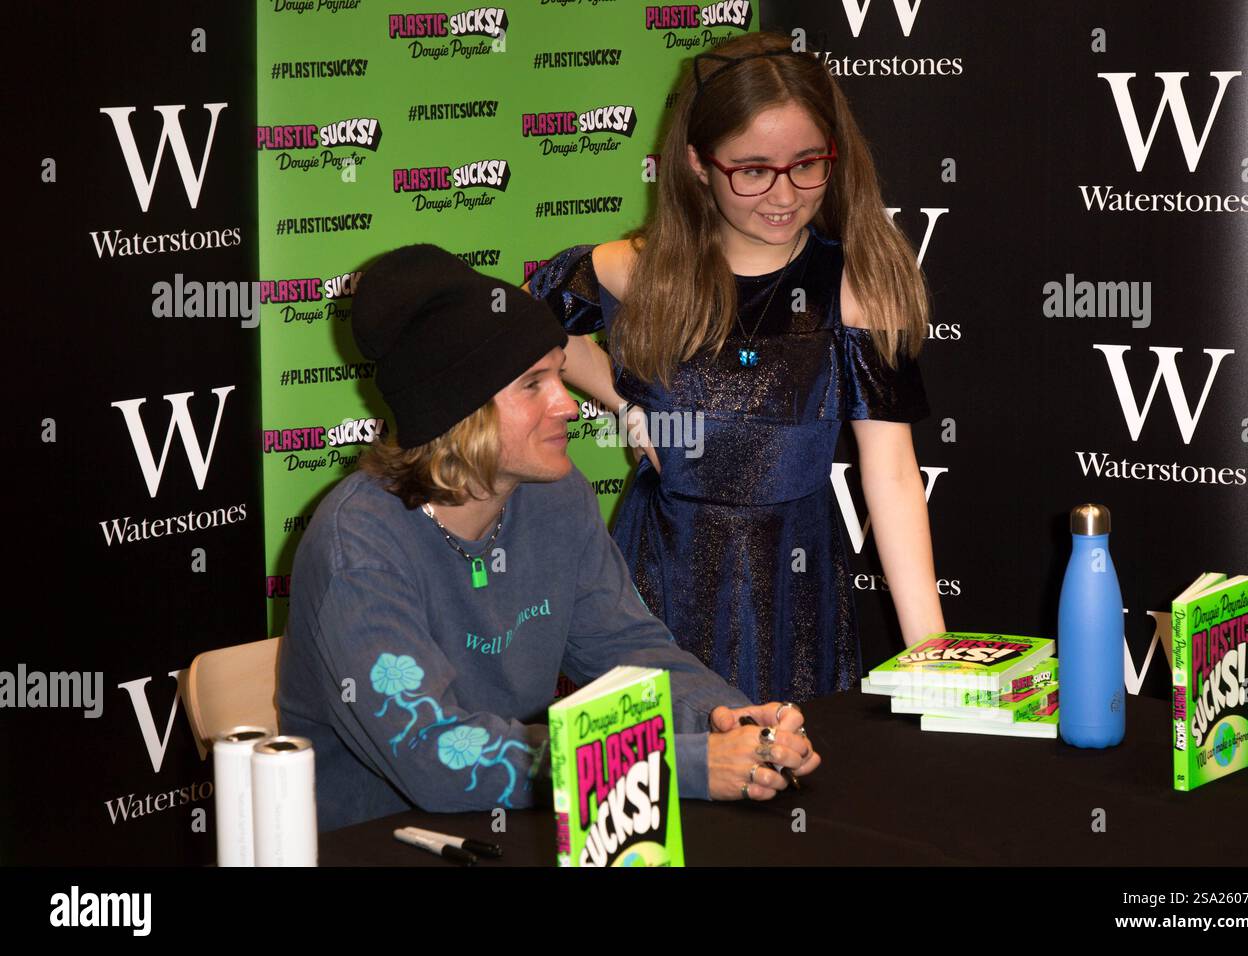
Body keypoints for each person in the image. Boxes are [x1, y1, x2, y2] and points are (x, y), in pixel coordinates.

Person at [276, 243, 820, 833]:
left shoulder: (555, 497)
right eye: (533, 384)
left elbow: (628, 650)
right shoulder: (358, 545)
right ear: (458, 415)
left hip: (518, 824)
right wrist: (679, 765)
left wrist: (725, 718)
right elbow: (434, 756)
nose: (569, 404)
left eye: (559, 374)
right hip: (380, 845)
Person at [527, 31, 947, 705]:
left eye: (808, 164)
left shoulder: (854, 282)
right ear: (698, 162)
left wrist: (932, 658)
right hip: (659, 574)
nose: (784, 195)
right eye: (752, 170)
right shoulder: (643, 271)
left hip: (796, 583)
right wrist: (627, 402)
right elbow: (525, 331)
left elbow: (892, 472)